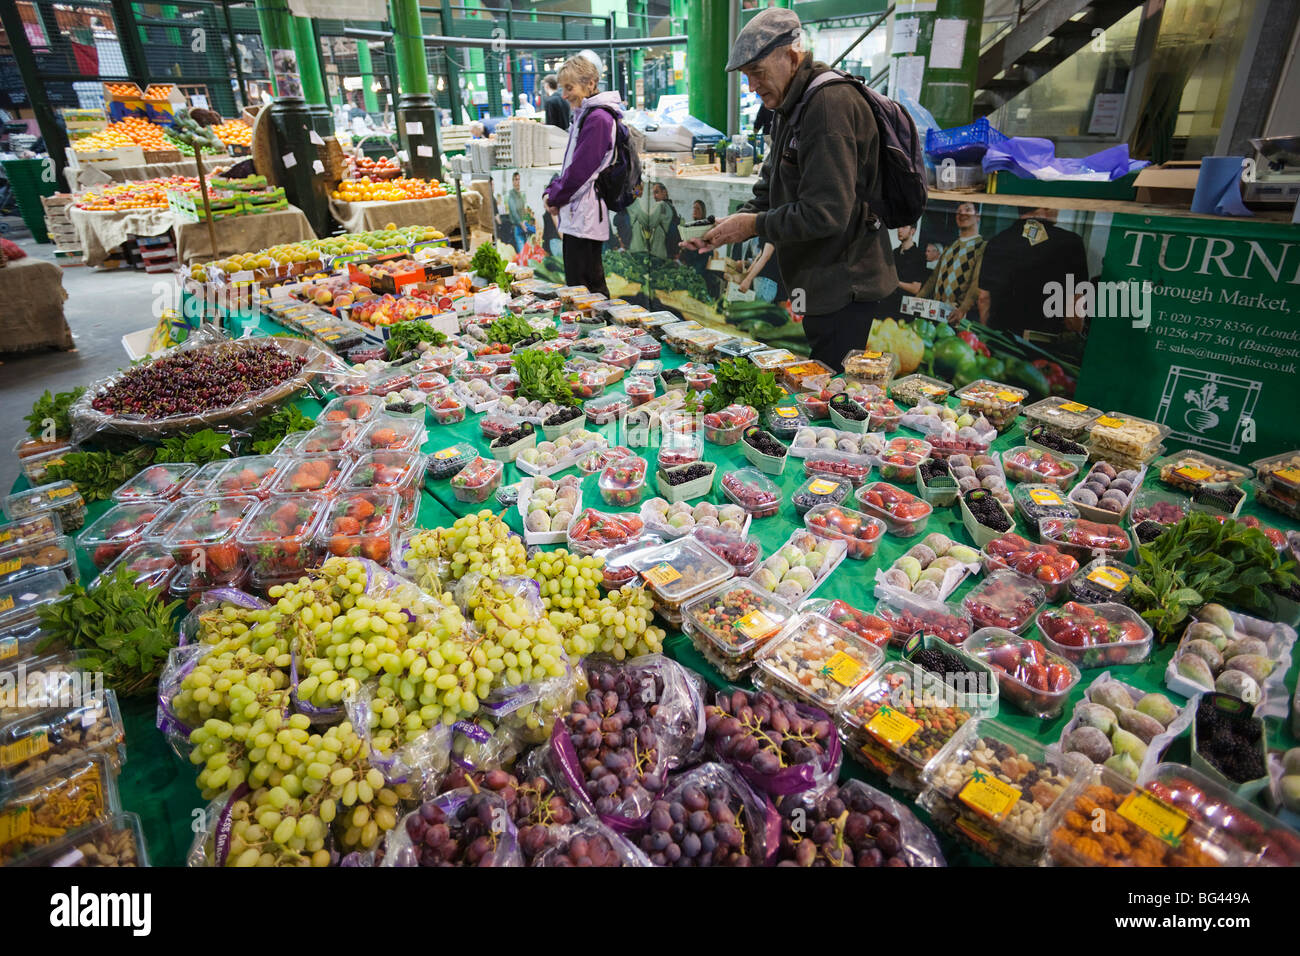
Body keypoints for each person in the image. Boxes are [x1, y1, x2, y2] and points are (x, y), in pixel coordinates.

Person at [680, 8, 897, 372]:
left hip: (845, 281)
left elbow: (825, 213)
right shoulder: (790, 105)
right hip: (817, 277)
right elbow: (770, 190)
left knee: (832, 389)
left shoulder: (828, 107)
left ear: (791, 55)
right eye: (747, 77)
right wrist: (722, 229)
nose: (752, 86)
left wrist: (753, 225)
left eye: (757, 73)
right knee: (822, 380)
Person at [542, 54, 623, 297]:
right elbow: (573, 167)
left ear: (590, 83)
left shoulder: (598, 118)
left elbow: (581, 171)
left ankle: (602, 332)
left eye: (569, 87)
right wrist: (554, 191)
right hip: (580, 213)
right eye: (562, 88)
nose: (564, 95)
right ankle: (596, 331)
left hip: (585, 214)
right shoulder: (586, 114)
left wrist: (555, 197)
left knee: (586, 287)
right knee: (583, 284)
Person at [977, 206, 1089, 338]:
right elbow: (1075, 311)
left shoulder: (996, 241)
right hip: (1045, 344)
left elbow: (983, 298)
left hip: (1001, 339)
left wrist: (987, 336)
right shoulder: (1071, 242)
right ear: (1046, 205)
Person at [917, 201, 986, 324]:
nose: (962, 213)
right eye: (959, 212)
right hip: (938, 316)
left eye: (967, 210)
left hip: (960, 319)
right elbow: (933, 279)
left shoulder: (982, 246)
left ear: (978, 217)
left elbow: (976, 283)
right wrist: (918, 299)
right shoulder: (950, 247)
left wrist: (962, 309)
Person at [628, 182, 675, 258]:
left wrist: (637, 192)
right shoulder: (669, 207)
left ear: (664, 192)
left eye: (656, 192)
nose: (654, 196)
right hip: (662, 253)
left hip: (658, 253)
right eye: (652, 193)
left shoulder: (662, 206)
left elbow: (648, 222)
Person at [893, 223, 928, 295]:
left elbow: (915, 289)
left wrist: (894, 282)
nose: (899, 230)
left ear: (912, 231)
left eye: (904, 227)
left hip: (904, 302)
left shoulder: (919, 256)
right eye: (898, 227)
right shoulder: (894, 253)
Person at [506, 171, 528, 252]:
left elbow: (523, 210)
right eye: (515, 180)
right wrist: (521, 223)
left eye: (519, 180)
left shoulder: (520, 194)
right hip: (517, 227)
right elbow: (514, 212)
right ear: (512, 181)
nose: (517, 182)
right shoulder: (511, 194)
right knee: (522, 252)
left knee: (526, 252)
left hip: (523, 226)